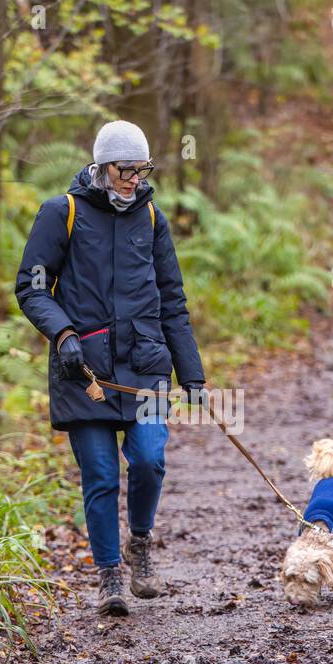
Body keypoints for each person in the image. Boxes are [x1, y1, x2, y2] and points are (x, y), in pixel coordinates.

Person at [15, 120, 206, 615]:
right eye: (126, 169)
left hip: (145, 367)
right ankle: (109, 576)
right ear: (103, 166)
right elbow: (32, 287)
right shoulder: (63, 213)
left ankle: (139, 544)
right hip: (86, 374)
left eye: (142, 170)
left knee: (148, 459)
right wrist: (62, 334)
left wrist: (194, 376)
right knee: (100, 473)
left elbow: (173, 301)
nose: (134, 180)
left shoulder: (152, 219)